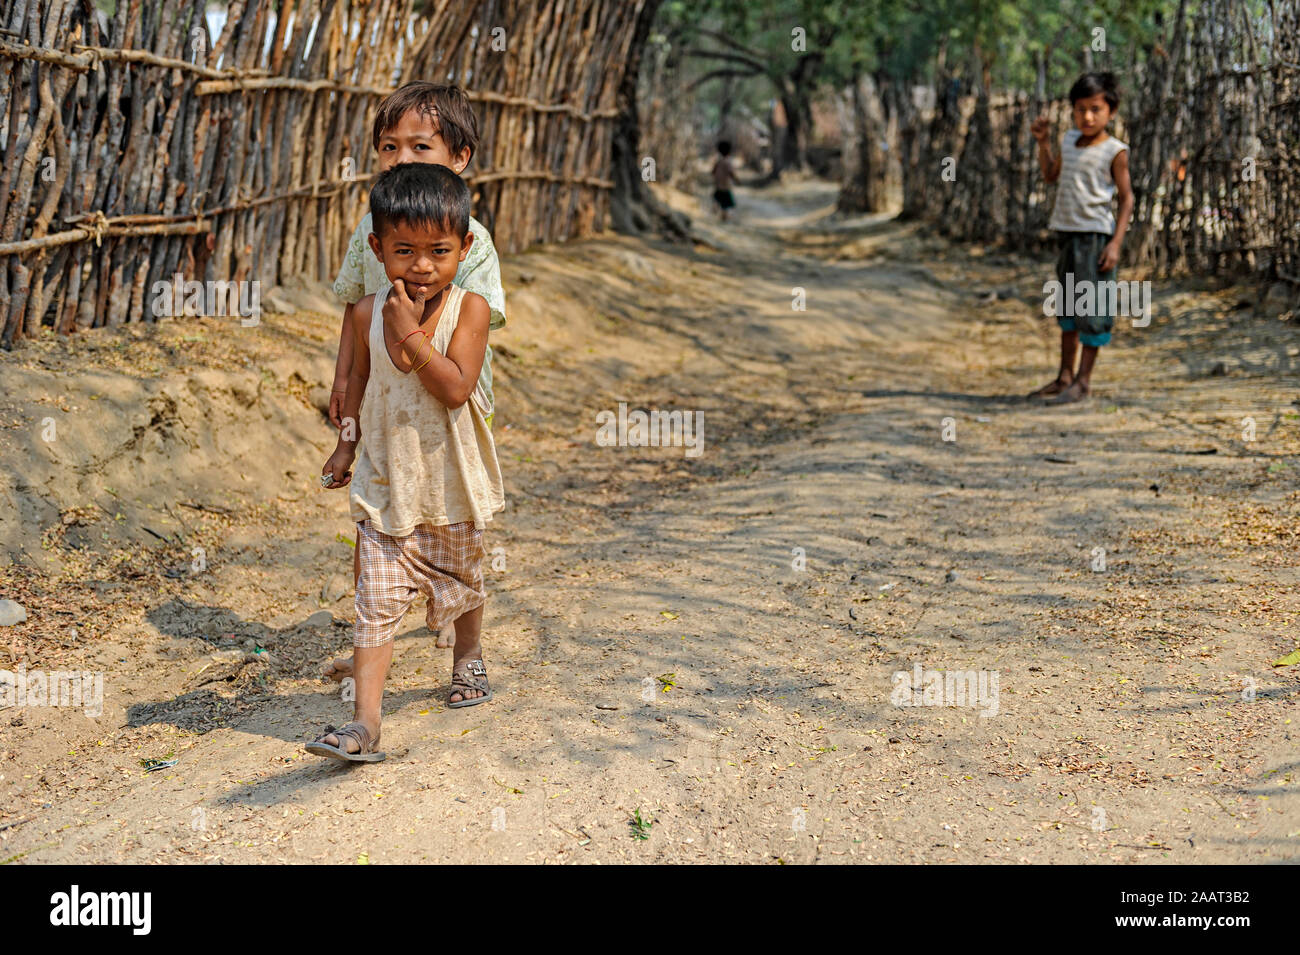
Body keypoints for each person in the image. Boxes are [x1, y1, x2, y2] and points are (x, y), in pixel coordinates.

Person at [308, 163, 505, 761]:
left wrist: (412, 335)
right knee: (374, 601)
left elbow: (454, 388)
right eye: (404, 250)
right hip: (386, 482)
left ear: (464, 247)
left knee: (463, 584)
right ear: (377, 248)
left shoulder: (468, 310)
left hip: (450, 483)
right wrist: (346, 445)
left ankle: (467, 661)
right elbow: (360, 390)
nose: (421, 265)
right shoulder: (367, 314)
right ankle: (364, 724)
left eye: (439, 251)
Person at [325, 83, 505, 672]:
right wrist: (343, 399)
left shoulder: (471, 243)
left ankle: (467, 649)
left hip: (446, 409)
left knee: (455, 541)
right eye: (388, 146)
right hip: (385, 409)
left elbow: (461, 351)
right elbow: (355, 314)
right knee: (374, 523)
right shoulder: (369, 230)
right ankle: (370, 632)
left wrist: (410, 337)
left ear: (459, 158)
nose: (402, 158)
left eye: (420, 146)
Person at [1029, 72, 1133, 404]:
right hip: (1068, 237)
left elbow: (1127, 198)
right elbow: (1050, 175)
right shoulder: (1069, 142)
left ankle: (1083, 382)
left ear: (1111, 111)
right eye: (1080, 109)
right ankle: (1064, 377)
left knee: (1093, 310)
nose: (1087, 117)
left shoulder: (1115, 151)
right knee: (1068, 310)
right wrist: (1043, 142)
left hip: (1096, 239)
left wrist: (1115, 243)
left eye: (1095, 109)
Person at [711, 140, 737, 221]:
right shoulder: (728, 162)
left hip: (718, 185)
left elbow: (713, 172)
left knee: (718, 198)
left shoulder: (718, 161)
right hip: (726, 186)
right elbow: (731, 173)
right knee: (726, 204)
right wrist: (737, 180)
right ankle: (724, 216)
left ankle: (716, 207)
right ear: (729, 151)